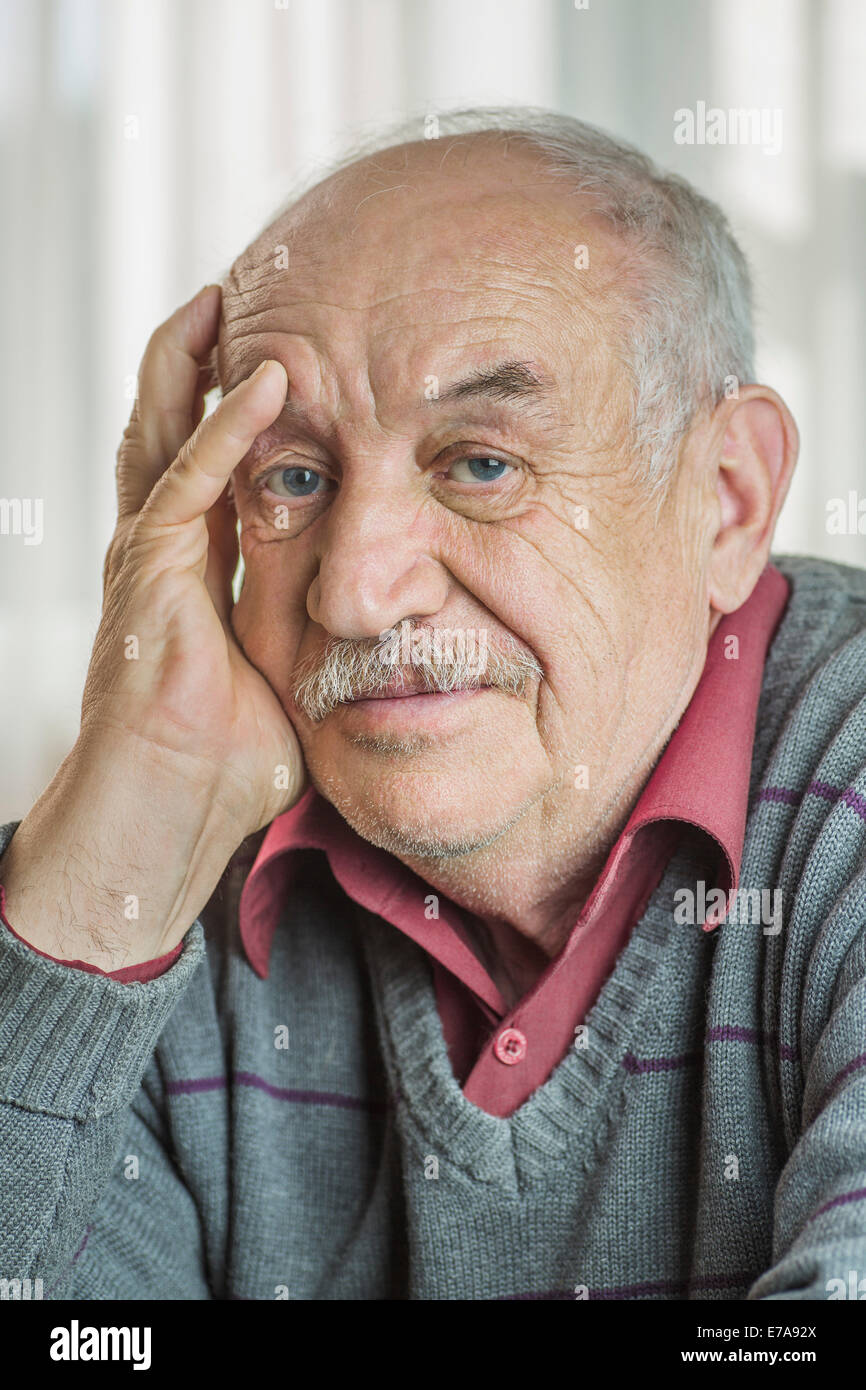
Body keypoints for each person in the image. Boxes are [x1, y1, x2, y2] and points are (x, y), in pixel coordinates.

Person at [1, 108, 864, 1301]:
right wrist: (103, 881)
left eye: (479, 463)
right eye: (293, 478)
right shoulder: (176, 857)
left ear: (723, 500)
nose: (355, 593)